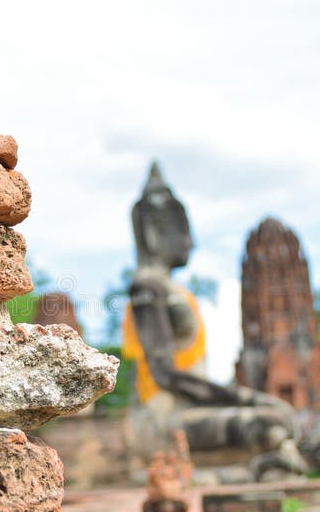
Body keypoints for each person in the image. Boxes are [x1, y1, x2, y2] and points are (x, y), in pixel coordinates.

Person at [122, 162, 300, 462]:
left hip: (190, 411)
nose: (190, 242)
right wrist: (247, 397)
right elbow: (165, 375)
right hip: (162, 418)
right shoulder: (146, 288)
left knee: (279, 420)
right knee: (273, 423)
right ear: (152, 232)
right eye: (181, 230)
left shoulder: (176, 291)